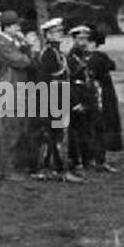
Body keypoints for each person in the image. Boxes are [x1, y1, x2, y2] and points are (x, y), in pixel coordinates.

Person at [33, 18, 83, 183]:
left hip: (59, 95)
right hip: (53, 96)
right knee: (56, 134)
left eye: (60, 31)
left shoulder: (57, 53)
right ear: (47, 35)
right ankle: (59, 170)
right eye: (55, 32)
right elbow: (43, 79)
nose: (59, 35)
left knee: (57, 134)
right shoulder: (48, 54)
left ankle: (51, 169)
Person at [0, 10, 35, 181]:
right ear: (8, 27)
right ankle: (5, 169)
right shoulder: (3, 44)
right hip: (8, 90)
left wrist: (24, 45)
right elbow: (22, 61)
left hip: (16, 88)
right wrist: (28, 47)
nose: (19, 28)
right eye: (16, 25)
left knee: (19, 129)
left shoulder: (12, 41)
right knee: (11, 131)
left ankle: (16, 165)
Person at [65, 24, 101, 176]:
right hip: (77, 93)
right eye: (80, 39)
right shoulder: (70, 57)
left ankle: (89, 158)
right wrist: (75, 102)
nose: (83, 42)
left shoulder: (87, 55)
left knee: (89, 127)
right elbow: (69, 80)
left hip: (88, 92)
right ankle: (76, 160)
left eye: (86, 39)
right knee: (76, 130)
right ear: (74, 39)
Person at [88, 30, 122, 164]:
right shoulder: (101, 56)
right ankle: (110, 141)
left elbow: (110, 66)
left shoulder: (96, 57)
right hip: (104, 86)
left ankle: (109, 141)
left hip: (102, 87)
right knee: (107, 113)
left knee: (106, 112)